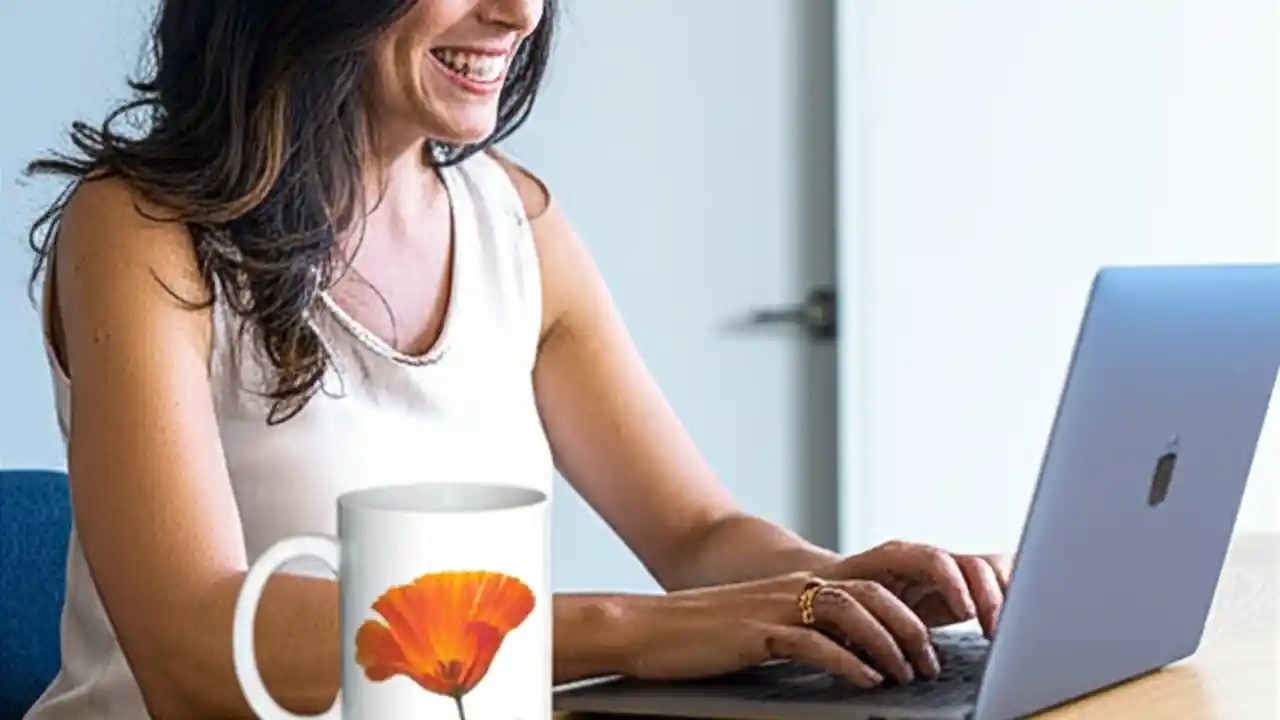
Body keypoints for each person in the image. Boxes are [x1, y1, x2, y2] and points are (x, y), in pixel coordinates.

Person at [21, 1, 1011, 718]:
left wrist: (833, 593)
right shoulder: (142, 232)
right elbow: (195, 649)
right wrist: (634, 630)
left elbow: (697, 533)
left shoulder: (513, 221)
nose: (520, 14)